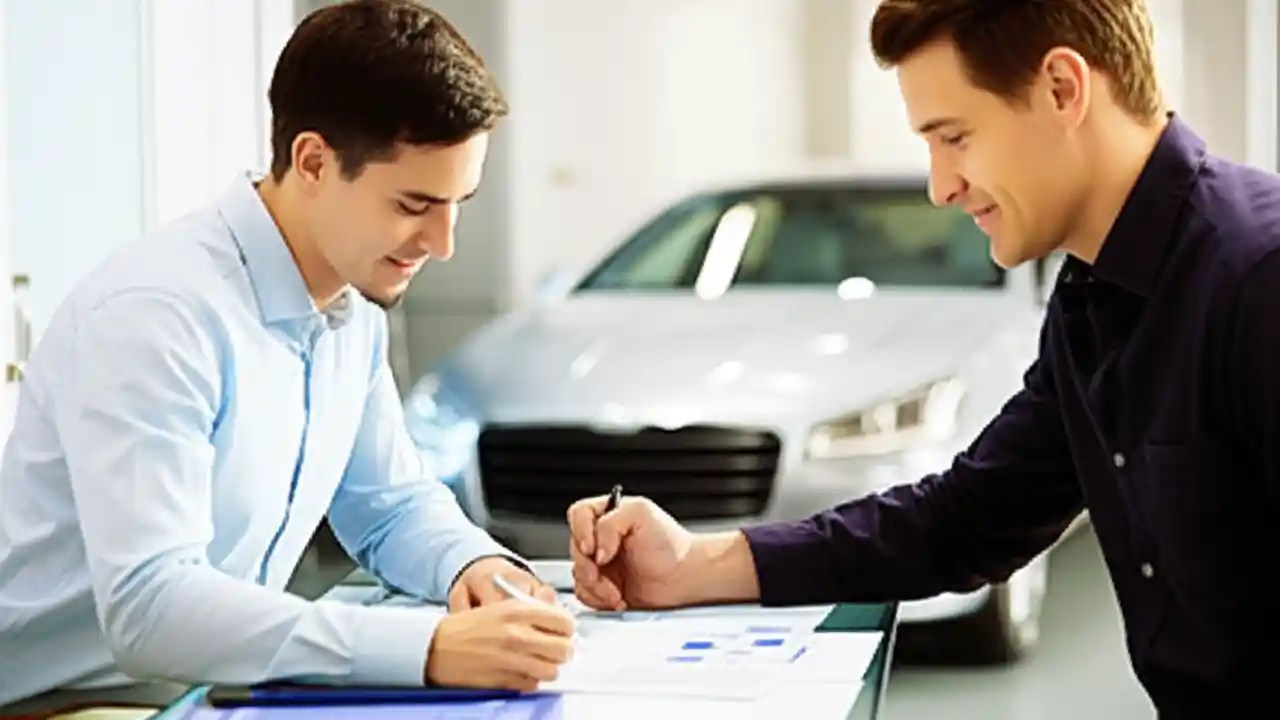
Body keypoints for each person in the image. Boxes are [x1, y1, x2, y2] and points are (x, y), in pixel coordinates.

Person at [569, 0, 1280, 715]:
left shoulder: (1259, 279)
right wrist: (696, 565)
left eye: (955, 137)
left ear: (1063, 89)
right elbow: (968, 519)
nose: (941, 186)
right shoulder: (1092, 300)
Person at [0, 0, 575, 709]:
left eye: (459, 204)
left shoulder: (350, 299)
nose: (442, 244)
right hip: (62, 701)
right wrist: (426, 650)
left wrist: (475, 565)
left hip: (199, 688)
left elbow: (388, 507)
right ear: (312, 161)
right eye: (413, 205)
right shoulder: (158, 315)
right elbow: (150, 606)